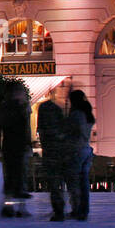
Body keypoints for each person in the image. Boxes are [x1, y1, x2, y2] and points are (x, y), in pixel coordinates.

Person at [37, 86, 75, 221]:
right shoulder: (58, 110)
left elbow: (40, 130)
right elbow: (65, 129)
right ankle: (62, 209)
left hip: (49, 152)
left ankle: (58, 210)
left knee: (54, 184)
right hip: (60, 152)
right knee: (61, 182)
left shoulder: (44, 109)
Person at [0, 85, 34, 201]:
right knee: (18, 175)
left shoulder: (5, 107)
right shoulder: (17, 108)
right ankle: (17, 207)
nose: (24, 95)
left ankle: (10, 205)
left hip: (10, 146)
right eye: (22, 92)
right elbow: (23, 128)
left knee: (12, 176)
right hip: (17, 146)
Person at [67, 90, 95, 220]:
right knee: (84, 182)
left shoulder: (76, 114)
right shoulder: (88, 113)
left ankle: (77, 209)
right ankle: (84, 210)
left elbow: (71, 131)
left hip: (76, 150)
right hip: (87, 149)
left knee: (74, 182)